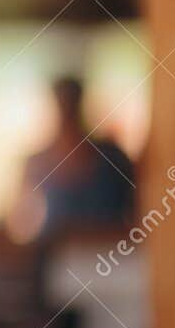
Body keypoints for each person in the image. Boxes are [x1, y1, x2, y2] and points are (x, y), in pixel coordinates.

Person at [9, 76, 136, 243]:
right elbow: (21, 224)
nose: (66, 110)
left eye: (70, 103)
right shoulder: (37, 163)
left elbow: (135, 212)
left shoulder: (112, 157)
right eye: (63, 103)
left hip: (110, 253)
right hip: (56, 258)